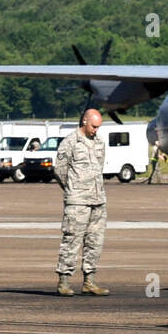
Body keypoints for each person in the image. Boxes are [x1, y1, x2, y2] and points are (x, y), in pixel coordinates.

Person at [54, 109, 110, 296]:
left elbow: (99, 168)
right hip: (77, 200)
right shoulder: (70, 142)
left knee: (95, 241)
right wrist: (73, 189)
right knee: (72, 239)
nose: (96, 130)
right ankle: (64, 281)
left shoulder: (100, 142)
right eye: (94, 126)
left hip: (97, 199)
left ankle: (89, 280)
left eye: (98, 127)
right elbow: (60, 170)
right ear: (85, 121)